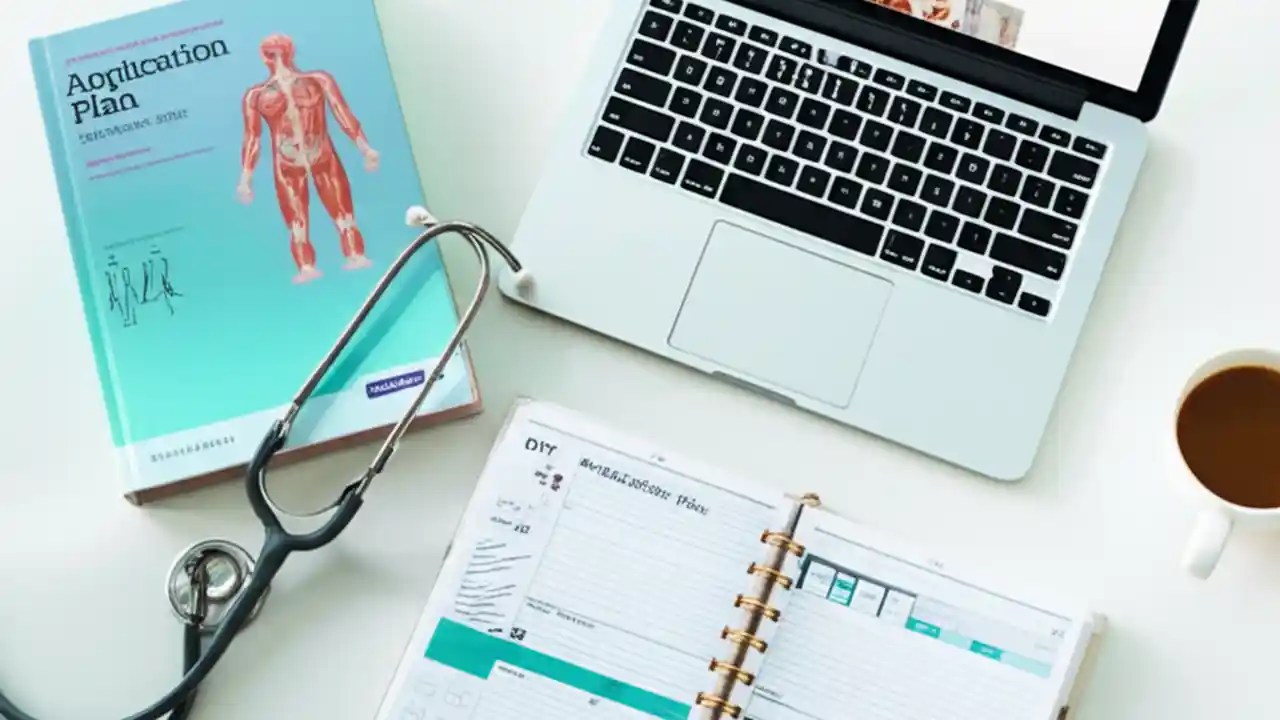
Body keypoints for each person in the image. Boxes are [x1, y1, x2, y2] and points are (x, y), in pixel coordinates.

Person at [237, 34, 379, 283]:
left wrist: (365, 148)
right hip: (287, 161)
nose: (278, 59)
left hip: (320, 153)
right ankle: (306, 268)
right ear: (264, 57)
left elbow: (341, 112)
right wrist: (245, 178)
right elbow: (253, 138)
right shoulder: (256, 95)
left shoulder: (318, 80)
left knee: (344, 215)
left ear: (291, 52)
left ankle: (355, 256)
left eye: (281, 52)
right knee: (297, 224)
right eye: (272, 54)